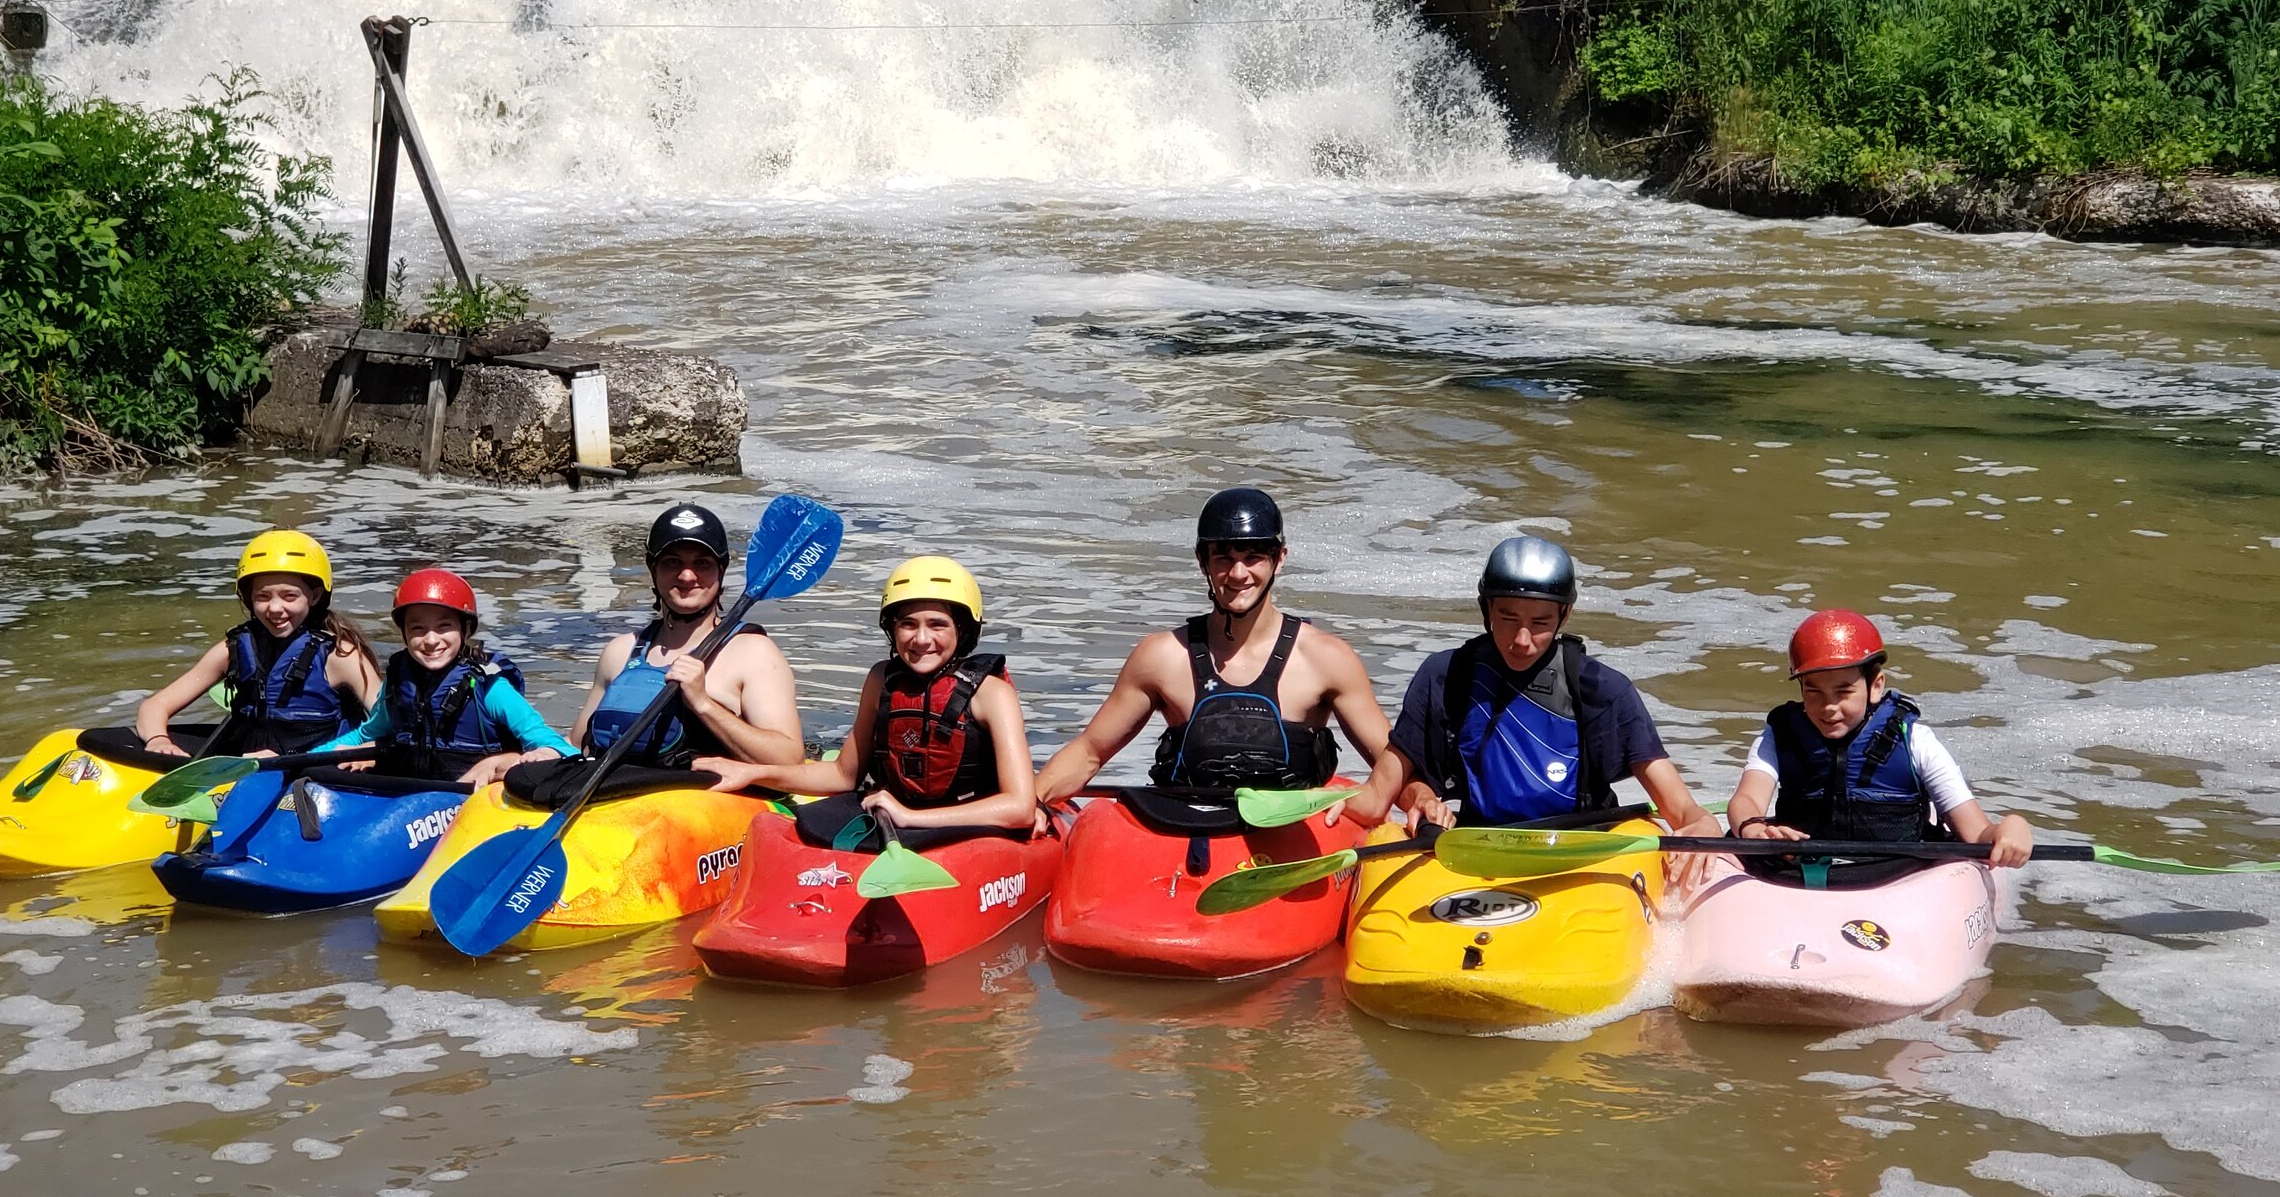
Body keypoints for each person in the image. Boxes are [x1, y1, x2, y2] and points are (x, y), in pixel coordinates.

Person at [1342, 535, 1720, 836]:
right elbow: (1379, 797)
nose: (1522, 639)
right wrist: (1418, 798)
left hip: (1583, 842)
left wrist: (1701, 823)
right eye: (1507, 618)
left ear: (1565, 615)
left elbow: (1680, 807)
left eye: (1540, 623)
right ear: (1486, 608)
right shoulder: (1446, 675)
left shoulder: (1603, 690)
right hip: (1477, 840)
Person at [1036, 489, 1392, 802]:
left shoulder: (1327, 659)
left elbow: (1391, 761)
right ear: (1202, 561)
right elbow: (1089, 752)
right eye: (1223, 557)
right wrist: (1032, 801)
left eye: (1253, 557)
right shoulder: (1161, 657)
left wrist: (1420, 800)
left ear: (1279, 559)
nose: (1238, 574)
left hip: (1290, 845)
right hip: (1189, 840)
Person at [698, 555, 1036, 842]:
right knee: (804, 826)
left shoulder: (992, 694)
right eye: (908, 624)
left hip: (972, 827)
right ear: (892, 629)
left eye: (937, 624)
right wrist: (752, 772)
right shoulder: (881, 680)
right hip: (897, 818)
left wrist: (909, 818)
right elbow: (843, 776)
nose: (921, 639)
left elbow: (1019, 808)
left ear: (962, 630)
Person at [537, 503, 802, 807]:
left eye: (702, 563)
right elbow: (577, 745)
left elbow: (789, 761)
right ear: (654, 570)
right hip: (620, 812)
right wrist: (544, 753)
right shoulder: (621, 652)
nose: (687, 576)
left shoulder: (752, 653)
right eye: (672, 562)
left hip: (704, 821)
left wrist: (703, 704)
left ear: (721, 571)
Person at [1724, 610, 2032, 866]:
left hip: (1898, 875)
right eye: (1813, 691)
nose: (1828, 707)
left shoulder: (1916, 741)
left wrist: (2011, 827)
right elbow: (1747, 799)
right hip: (1801, 870)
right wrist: (1752, 827)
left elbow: (1976, 833)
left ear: (1875, 686)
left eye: (1843, 692)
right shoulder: (1781, 734)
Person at [130, 530, 379, 760]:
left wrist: (366, 749)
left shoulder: (340, 655)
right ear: (249, 598)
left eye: (289, 596)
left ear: (314, 596)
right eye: (262, 596)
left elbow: (394, 724)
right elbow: (154, 706)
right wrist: (158, 739)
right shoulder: (233, 650)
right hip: (250, 768)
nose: (275, 608)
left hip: (320, 773)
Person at [312, 569, 574, 786]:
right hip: (418, 801)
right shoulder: (398, 685)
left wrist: (538, 756)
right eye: (417, 629)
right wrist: (308, 758)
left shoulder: (491, 688)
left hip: (476, 805)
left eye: (444, 626)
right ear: (403, 633)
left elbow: (559, 749)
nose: (431, 640)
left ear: (466, 628)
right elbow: (362, 736)